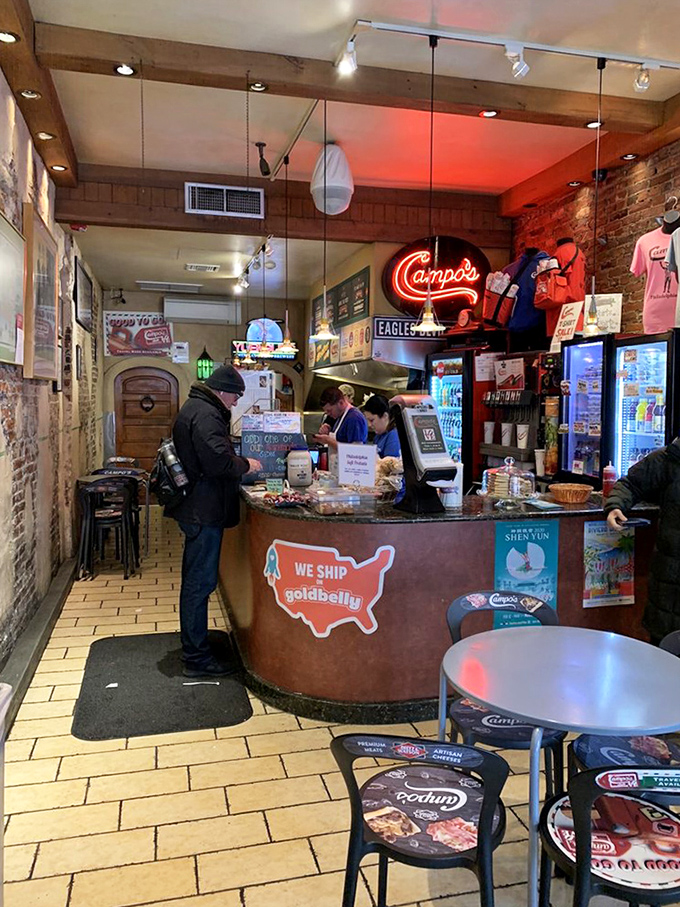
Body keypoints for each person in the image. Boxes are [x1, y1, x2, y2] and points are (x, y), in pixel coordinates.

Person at [169, 365, 262, 676]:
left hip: (197, 508)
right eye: (235, 396)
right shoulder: (207, 415)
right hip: (203, 510)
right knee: (199, 584)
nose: (235, 402)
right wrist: (245, 464)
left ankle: (195, 646)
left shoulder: (197, 407)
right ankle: (196, 658)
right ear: (222, 392)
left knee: (196, 582)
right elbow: (217, 461)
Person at [605, 439, 680, 644]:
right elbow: (630, 484)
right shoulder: (669, 459)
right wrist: (615, 506)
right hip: (670, 583)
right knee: (666, 652)